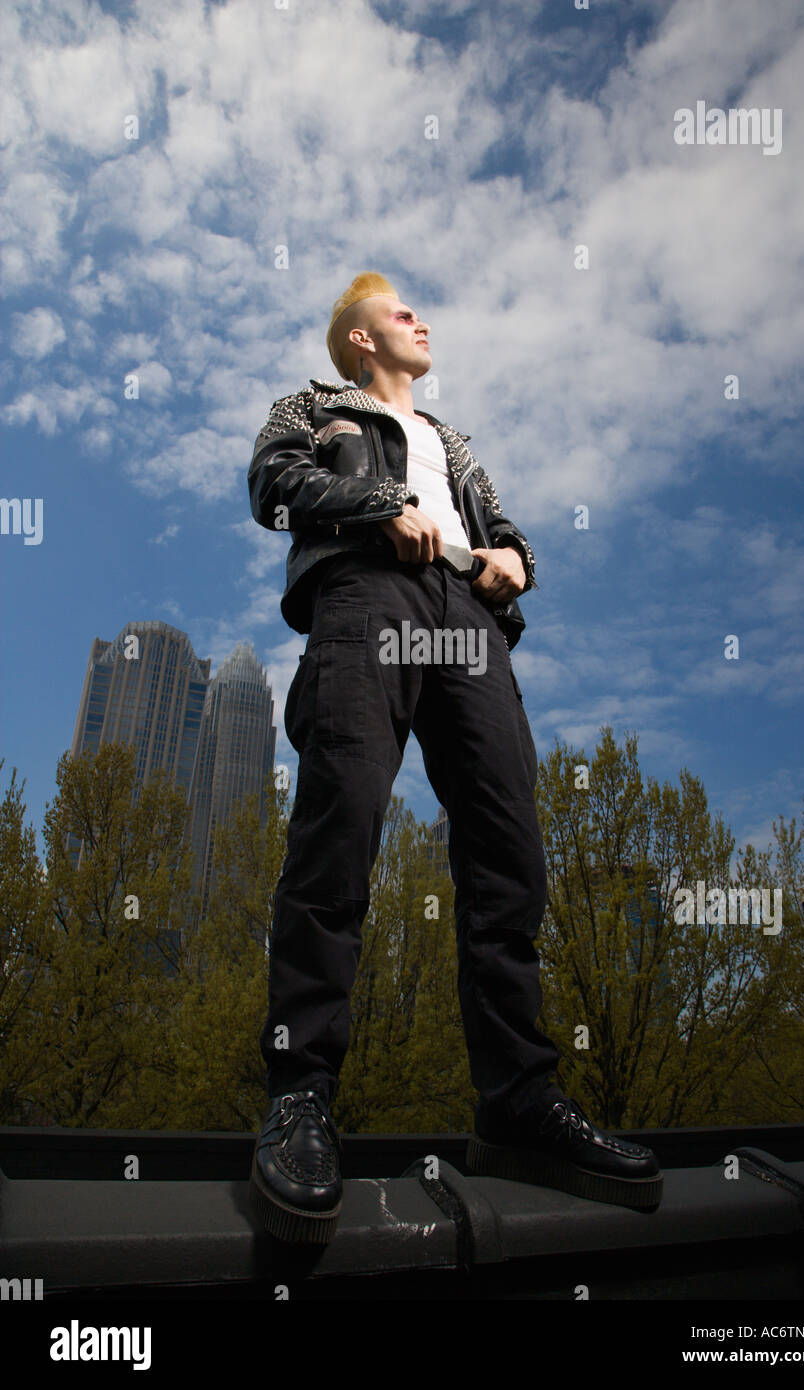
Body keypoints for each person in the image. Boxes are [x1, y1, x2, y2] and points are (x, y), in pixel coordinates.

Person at [247, 272, 662, 1244]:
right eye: (399, 313)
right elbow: (272, 487)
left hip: (466, 619)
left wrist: (512, 554)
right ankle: (301, 1095)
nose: (420, 321)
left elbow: (499, 524)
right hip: (367, 595)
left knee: (508, 849)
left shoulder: (452, 438)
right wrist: (375, 503)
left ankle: (520, 1097)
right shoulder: (313, 407)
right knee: (339, 829)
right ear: (357, 342)